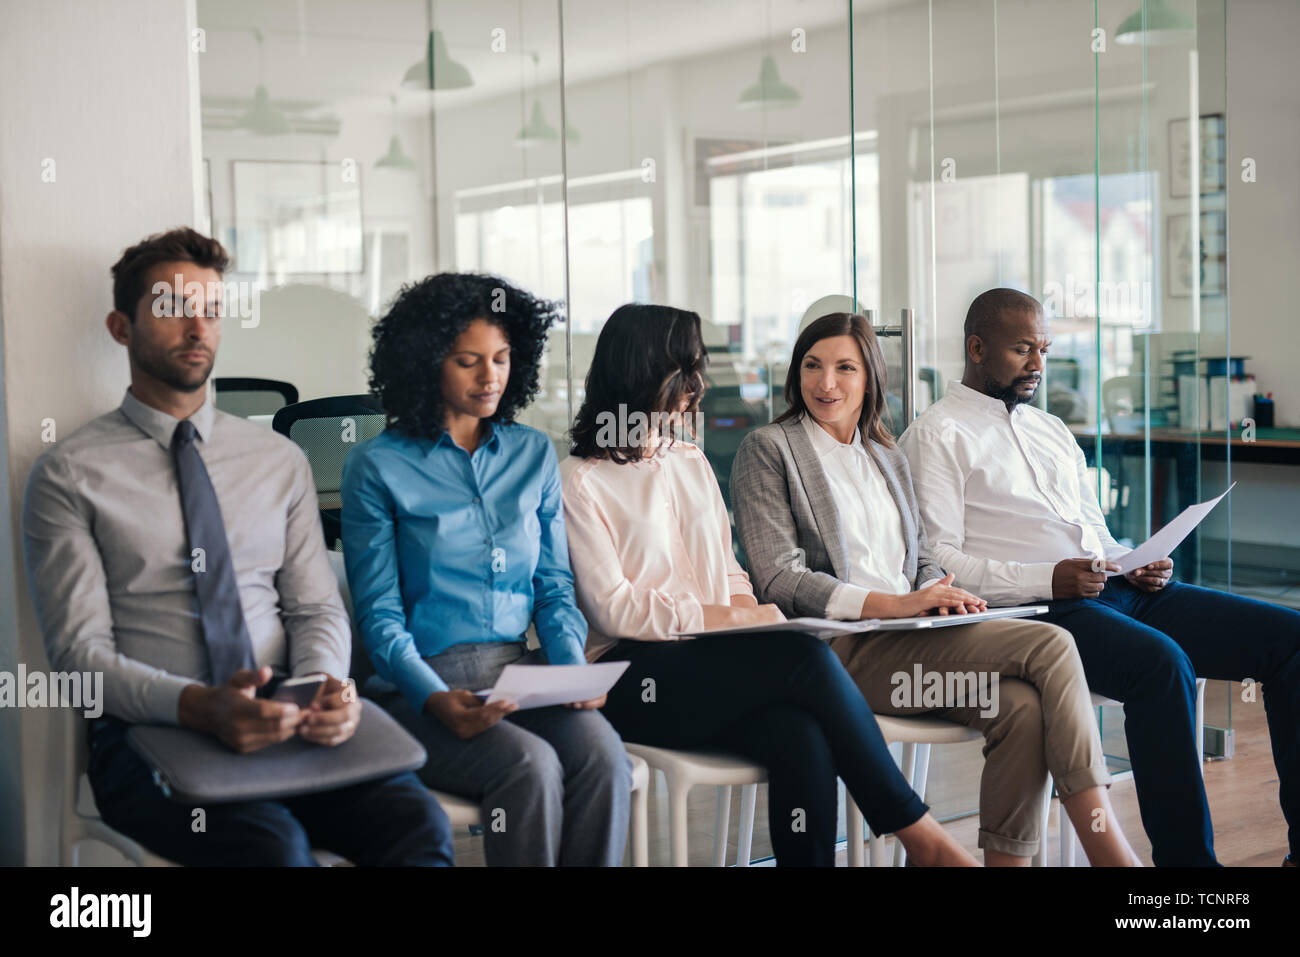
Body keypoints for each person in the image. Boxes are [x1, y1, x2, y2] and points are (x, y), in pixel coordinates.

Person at [22, 227, 453, 866]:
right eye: (173, 310)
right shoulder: (69, 473)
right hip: (152, 732)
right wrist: (199, 707)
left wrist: (320, 686)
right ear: (121, 327)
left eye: (211, 311)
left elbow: (315, 609)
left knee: (416, 823)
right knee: (270, 847)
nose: (198, 328)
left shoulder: (276, 460)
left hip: (289, 713)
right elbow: (80, 657)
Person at [560, 303, 979, 867]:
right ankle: (920, 835)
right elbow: (616, 611)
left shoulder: (691, 462)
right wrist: (734, 620)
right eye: (687, 369)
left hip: (711, 661)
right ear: (641, 373)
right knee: (802, 657)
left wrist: (738, 610)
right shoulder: (581, 480)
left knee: (799, 734)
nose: (700, 385)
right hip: (632, 676)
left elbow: (729, 572)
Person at [899, 287, 1300, 867]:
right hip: (1042, 613)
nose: (1038, 364)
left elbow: (1094, 532)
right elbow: (940, 565)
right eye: (1022, 350)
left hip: (1116, 590)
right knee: (1162, 665)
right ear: (977, 348)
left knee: (1288, 640)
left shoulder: (1051, 431)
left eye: (1044, 348)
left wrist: (1136, 559)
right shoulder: (936, 436)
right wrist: (1050, 578)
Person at [731, 312, 1140, 866]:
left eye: (844, 368)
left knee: (1019, 708)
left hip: (915, 640)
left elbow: (921, 557)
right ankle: (1109, 849)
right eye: (813, 366)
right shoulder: (770, 448)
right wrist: (895, 604)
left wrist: (942, 591)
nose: (826, 383)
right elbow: (778, 576)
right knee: (1050, 643)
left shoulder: (885, 453)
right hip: (840, 654)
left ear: (870, 378)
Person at [341, 273, 630, 867]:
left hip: (518, 674)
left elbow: (553, 589)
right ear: (426, 365)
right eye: (468, 361)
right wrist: (433, 696)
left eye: (500, 358)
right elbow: (380, 616)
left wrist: (572, 671)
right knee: (529, 766)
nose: (489, 375)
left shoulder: (531, 454)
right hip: (417, 687)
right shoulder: (376, 466)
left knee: (603, 756)